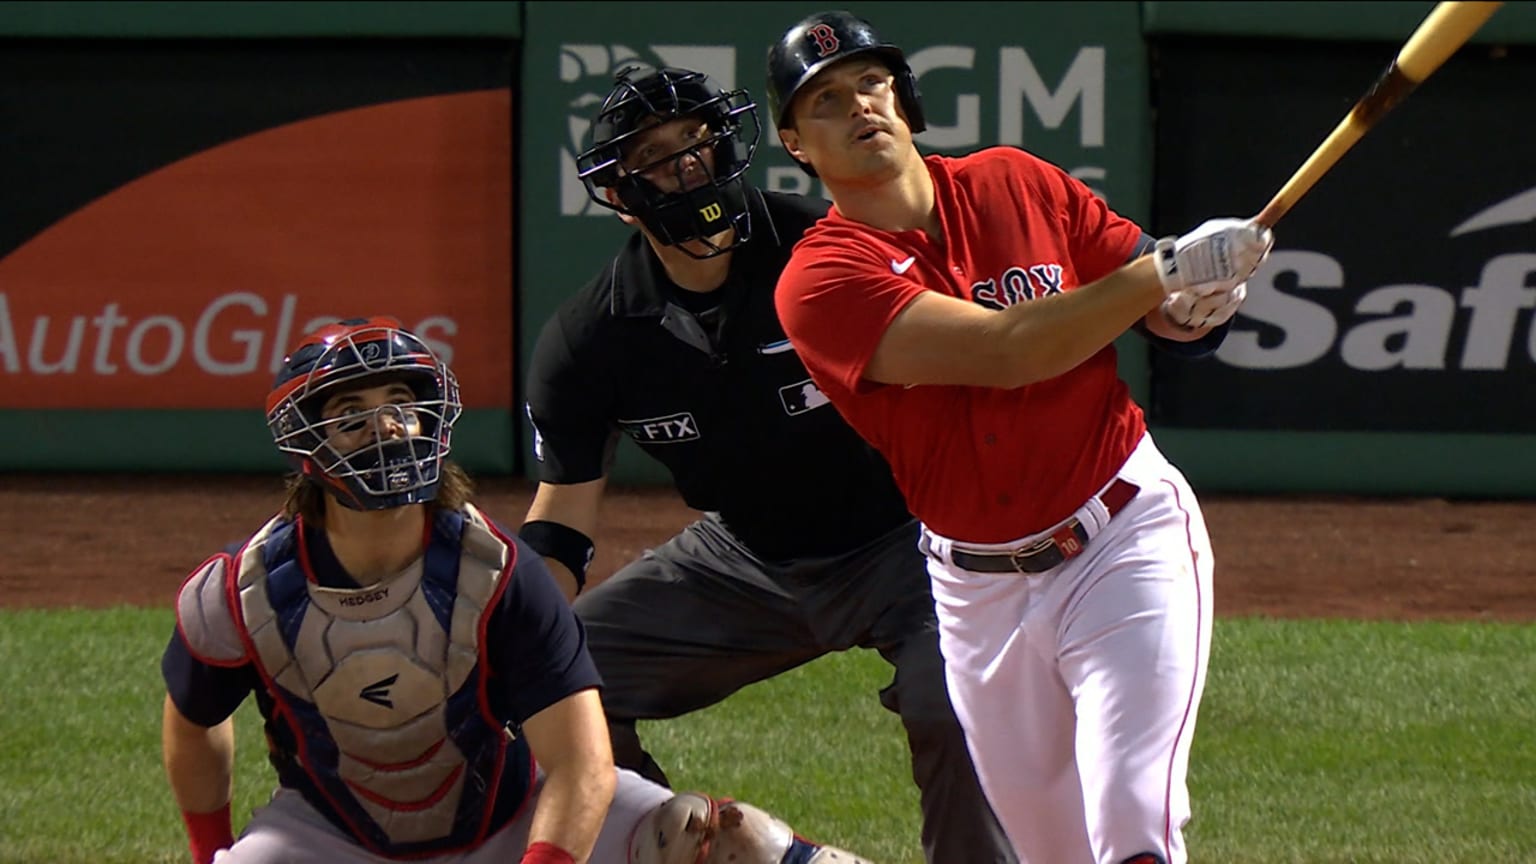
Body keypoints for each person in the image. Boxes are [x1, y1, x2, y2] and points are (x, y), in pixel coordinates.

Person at [765, 11, 1276, 864]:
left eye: (871, 82)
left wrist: (1193, 307)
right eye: (825, 101)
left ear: (904, 97)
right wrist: (1166, 272)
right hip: (977, 596)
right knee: (1056, 854)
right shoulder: (819, 281)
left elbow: (1148, 292)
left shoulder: (1015, 181)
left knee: (1133, 826)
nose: (860, 106)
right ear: (796, 144)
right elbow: (1008, 353)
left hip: (1123, 537)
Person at [521, 66, 1016, 864]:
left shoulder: (828, 253)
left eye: (697, 141)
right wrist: (520, 631)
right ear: (618, 189)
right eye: (656, 154)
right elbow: (561, 523)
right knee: (546, 687)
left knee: (953, 702)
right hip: (742, 559)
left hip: (908, 541)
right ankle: (693, 849)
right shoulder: (591, 338)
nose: (686, 165)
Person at [159, 316, 875, 864]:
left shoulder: (496, 570)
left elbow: (584, 761)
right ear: (306, 444)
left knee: (717, 839)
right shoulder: (241, 589)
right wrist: (208, 848)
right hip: (330, 834)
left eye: (399, 405)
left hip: (511, 814)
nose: (384, 426)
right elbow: (193, 723)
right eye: (351, 416)